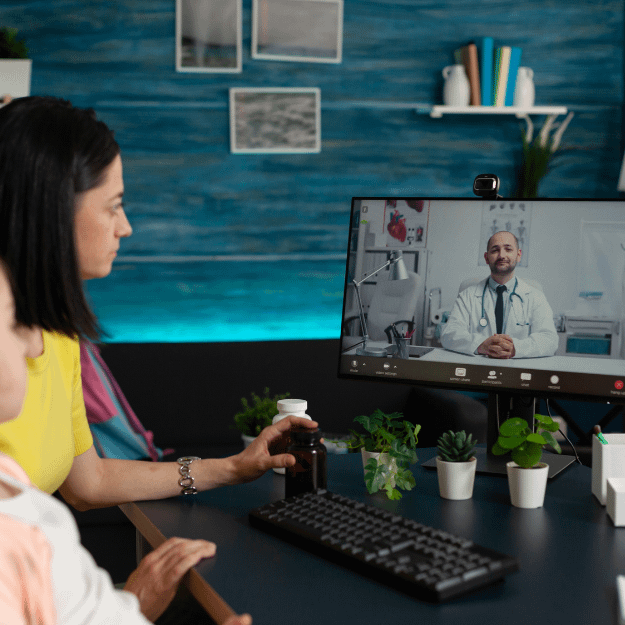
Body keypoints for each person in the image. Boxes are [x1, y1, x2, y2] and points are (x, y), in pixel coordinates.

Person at [0, 96, 318, 509]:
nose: (126, 228)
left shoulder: (58, 332)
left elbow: (89, 481)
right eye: (113, 207)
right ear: (52, 211)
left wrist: (232, 468)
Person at [0, 258, 251, 624]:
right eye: (12, 322)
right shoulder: (15, 529)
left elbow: (90, 480)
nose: (27, 342)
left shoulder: (13, 484)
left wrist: (231, 468)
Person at [440, 231, 558, 359]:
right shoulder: (467, 296)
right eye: (495, 250)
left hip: (519, 371)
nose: (502, 255)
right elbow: (449, 334)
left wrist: (515, 349)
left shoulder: (536, 297)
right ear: (486, 257)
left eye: (508, 249)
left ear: (518, 255)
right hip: (478, 370)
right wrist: (481, 344)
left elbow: (549, 339)